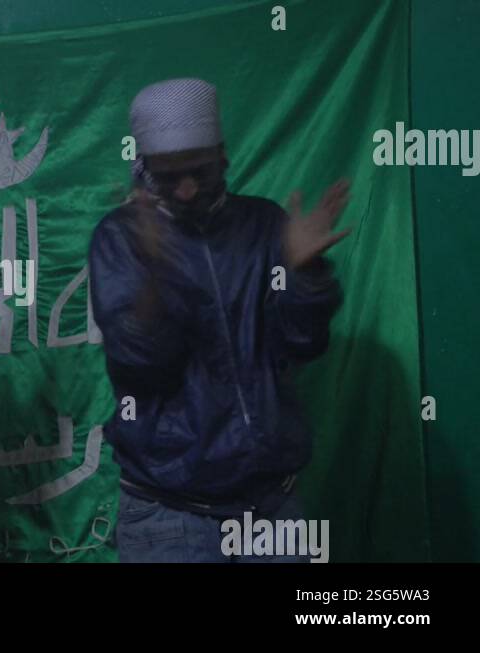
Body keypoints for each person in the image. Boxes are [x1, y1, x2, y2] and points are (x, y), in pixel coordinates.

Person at [89, 78, 350, 563]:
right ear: (144, 170)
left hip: (273, 509)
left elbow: (303, 343)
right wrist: (156, 277)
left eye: (201, 172)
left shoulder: (264, 225)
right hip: (170, 517)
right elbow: (141, 366)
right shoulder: (120, 239)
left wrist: (304, 274)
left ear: (223, 156)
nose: (187, 189)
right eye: (170, 176)